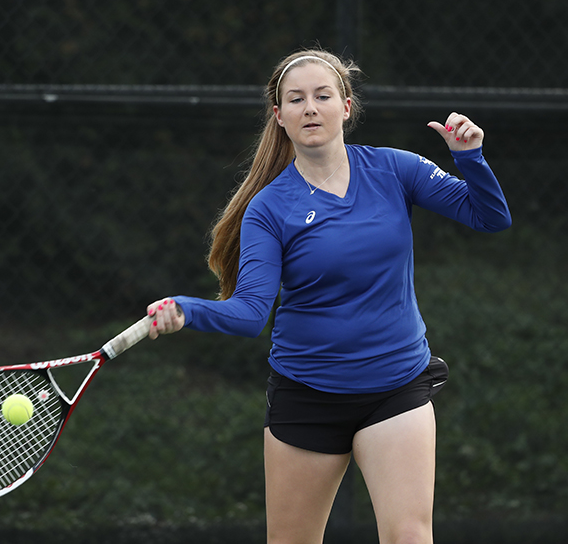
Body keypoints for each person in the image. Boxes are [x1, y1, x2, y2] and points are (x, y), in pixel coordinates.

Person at [146, 49, 511, 544]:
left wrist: (470, 157)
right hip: (308, 397)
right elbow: (251, 314)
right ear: (279, 116)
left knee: (409, 536)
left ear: (346, 106)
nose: (310, 108)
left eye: (322, 96)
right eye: (295, 99)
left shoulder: (395, 170)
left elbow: (489, 217)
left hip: (396, 386)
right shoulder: (268, 209)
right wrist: (187, 310)